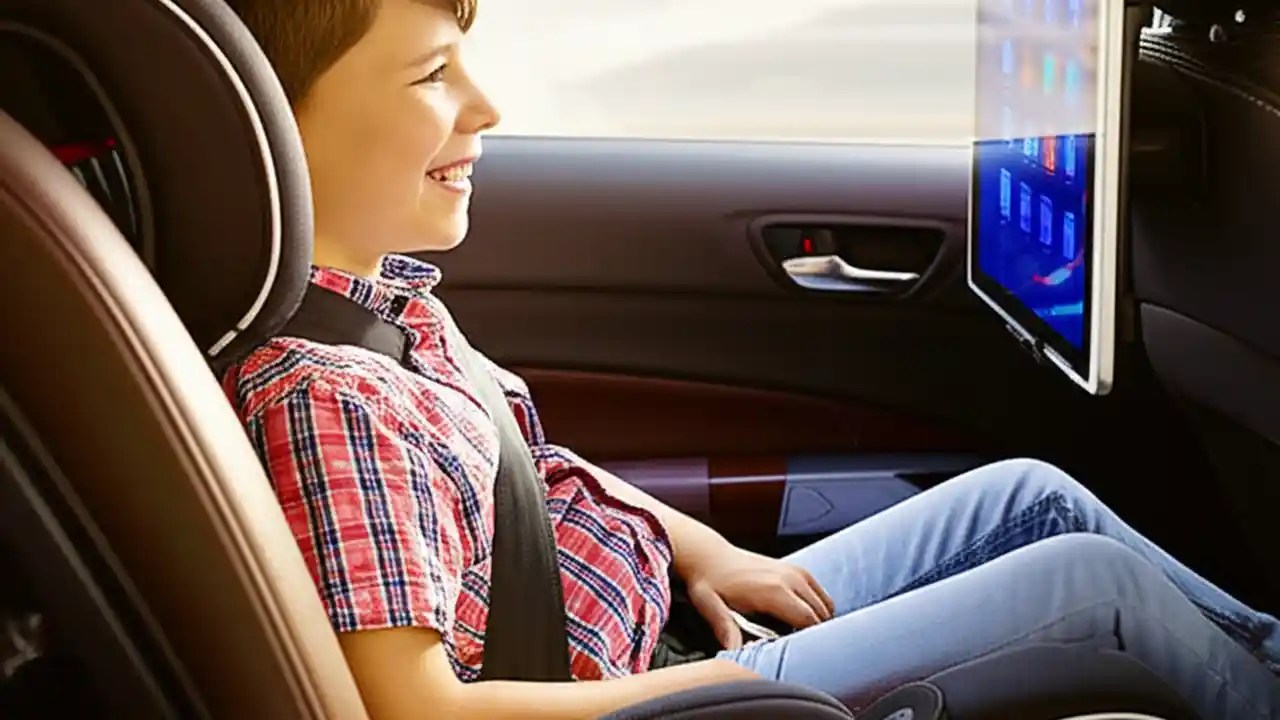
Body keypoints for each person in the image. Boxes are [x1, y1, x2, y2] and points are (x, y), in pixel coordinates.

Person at [218, 1, 1280, 718]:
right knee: (1086, 585)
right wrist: (709, 687)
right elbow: (420, 711)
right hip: (665, 695)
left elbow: (534, 474)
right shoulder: (329, 398)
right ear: (261, 128)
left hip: (667, 623)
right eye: (432, 76)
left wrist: (696, 550)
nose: (485, 105)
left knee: (1023, 496)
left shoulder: (385, 306)